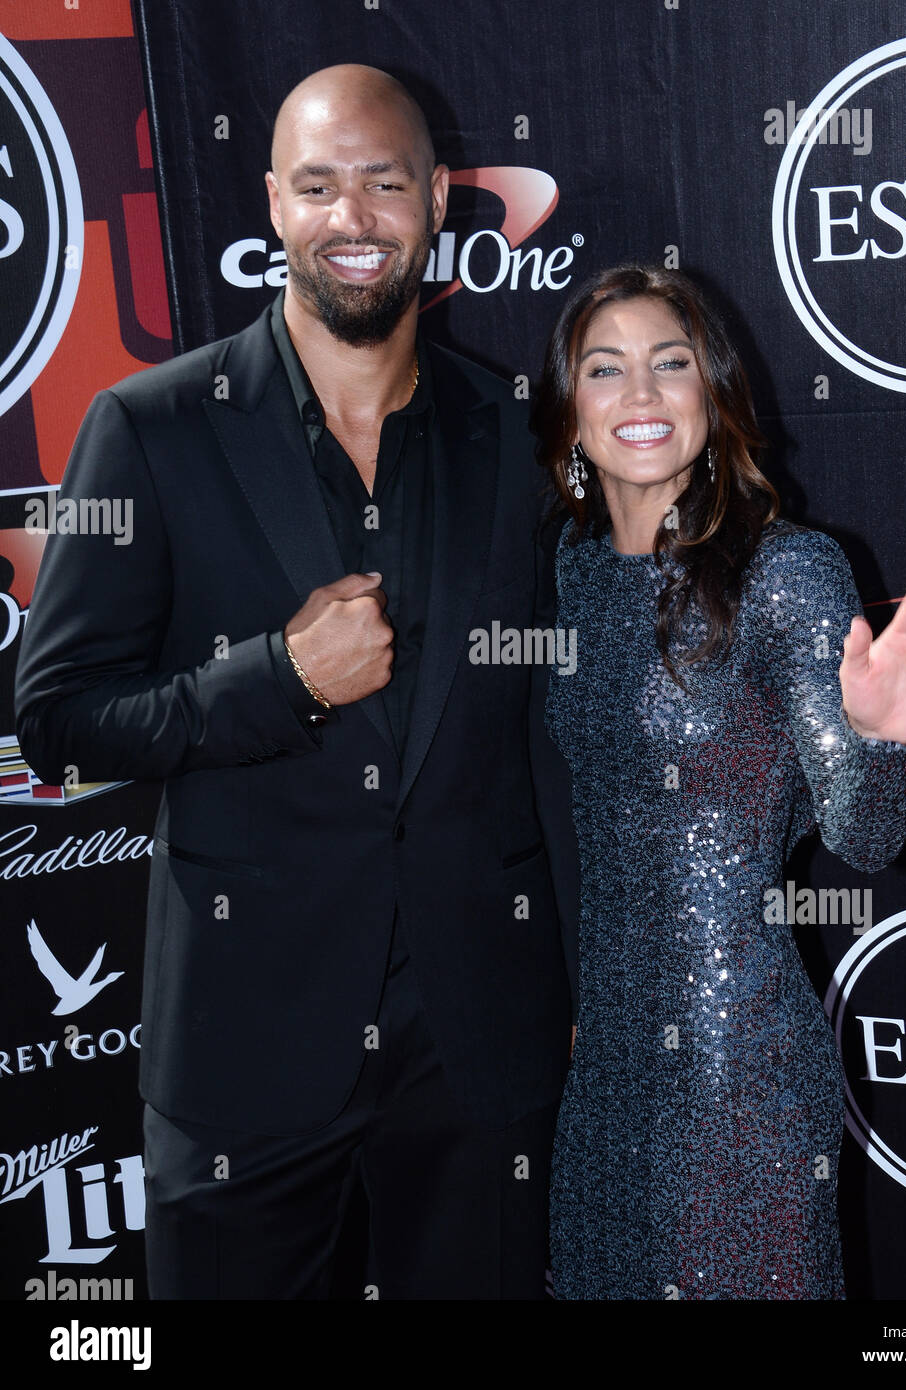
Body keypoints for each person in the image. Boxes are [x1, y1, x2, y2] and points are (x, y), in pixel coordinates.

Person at [15, 65, 578, 1300]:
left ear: (439, 201)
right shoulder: (151, 427)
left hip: (477, 1050)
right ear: (273, 203)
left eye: (384, 183)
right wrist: (276, 678)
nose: (353, 218)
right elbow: (55, 721)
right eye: (319, 185)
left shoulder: (517, 434)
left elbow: (549, 736)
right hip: (244, 1061)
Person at [532, 264, 906, 1300]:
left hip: (738, 1076)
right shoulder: (560, 571)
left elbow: (868, 837)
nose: (643, 396)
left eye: (673, 364)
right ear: (570, 410)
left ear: (716, 393)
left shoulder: (784, 571)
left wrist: (880, 740)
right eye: (605, 370)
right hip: (600, 1076)